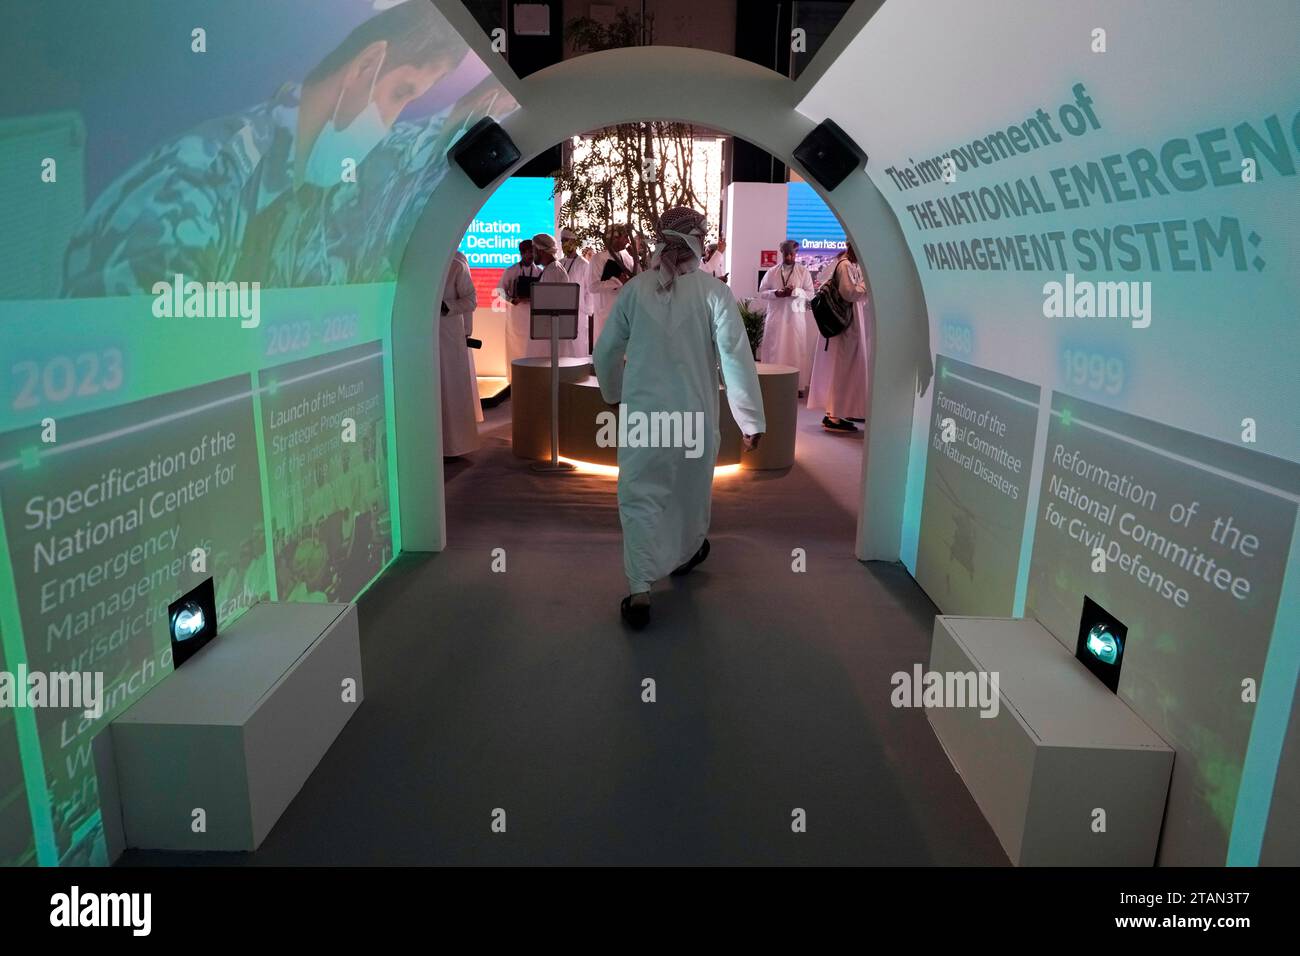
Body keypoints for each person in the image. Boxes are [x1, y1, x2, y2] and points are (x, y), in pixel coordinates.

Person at [63, 1, 463, 294]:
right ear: (364, 66)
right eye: (400, 93)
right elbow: (142, 372)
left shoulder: (323, 197)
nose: (389, 124)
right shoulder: (194, 185)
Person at [593, 206, 766, 630]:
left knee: (639, 499)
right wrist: (750, 421)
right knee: (688, 496)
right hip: (694, 421)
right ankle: (685, 554)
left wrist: (613, 394)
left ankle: (639, 590)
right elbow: (736, 362)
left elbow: (606, 352)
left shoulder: (634, 291)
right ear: (697, 242)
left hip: (643, 419)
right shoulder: (714, 293)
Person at [807, 244, 871, 431]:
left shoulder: (847, 264)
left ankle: (836, 413)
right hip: (845, 327)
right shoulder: (844, 265)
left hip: (847, 325)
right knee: (842, 369)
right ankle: (833, 416)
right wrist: (867, 283)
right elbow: (849, 293)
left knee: (844, 369)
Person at [757, 240, 816, 391]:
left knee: (795, 350)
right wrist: (776, 293)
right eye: (786, 253)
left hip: (795, 319)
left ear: (796, 253)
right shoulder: (772, 272)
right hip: (776, 319)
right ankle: (772, 383)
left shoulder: (803, 272)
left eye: (792, 253)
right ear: (781, 253)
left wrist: (795, 292)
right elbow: (762, 292)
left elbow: (810, 294)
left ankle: (796, 386)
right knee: (774, 349)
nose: (789, 257)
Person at [440, 250, 480, 457]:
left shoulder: (455, 264)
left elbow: (471, 301)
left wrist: (445, 306)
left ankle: (454, 446)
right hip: (422, 340)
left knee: (450, 389)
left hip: (448, 337)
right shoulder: (418, 263)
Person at [531, 233, 585, 359]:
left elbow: (551, 304)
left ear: (541, 250)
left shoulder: (553, 271)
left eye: (534, 250)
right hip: (551, 332)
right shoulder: (552, 268)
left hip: (552, 331)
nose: (532, 253)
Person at [497, 239, 542, 381]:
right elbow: (499, 290)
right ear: (522, 253)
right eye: (528, 252)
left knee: (533, 349)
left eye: (533, 252)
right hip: (516, 316)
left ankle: (532, 379)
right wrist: (511, 300)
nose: (531, 255)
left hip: (532, 316)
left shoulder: (540, 271)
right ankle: (514, 380)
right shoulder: (511, 270)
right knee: (515, 349)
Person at [587, 224, 635, 352]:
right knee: (607, 353)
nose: (628, 241)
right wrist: (616, 282)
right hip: (606, 315)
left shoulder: (628, 257)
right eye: (625, 237)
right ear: (614, 238)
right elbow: (592, 286)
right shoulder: (599, 258)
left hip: (625, 313)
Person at [559, 227, 592, 354]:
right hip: (561, 312)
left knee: (578, 345)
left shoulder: (584, 264)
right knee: (563, 347)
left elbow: (589, 291)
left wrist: (586, 310)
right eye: (562, 241)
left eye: (567, 240)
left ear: (574, 242)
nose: (564, 244)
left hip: (578, 313)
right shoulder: (560, 263)